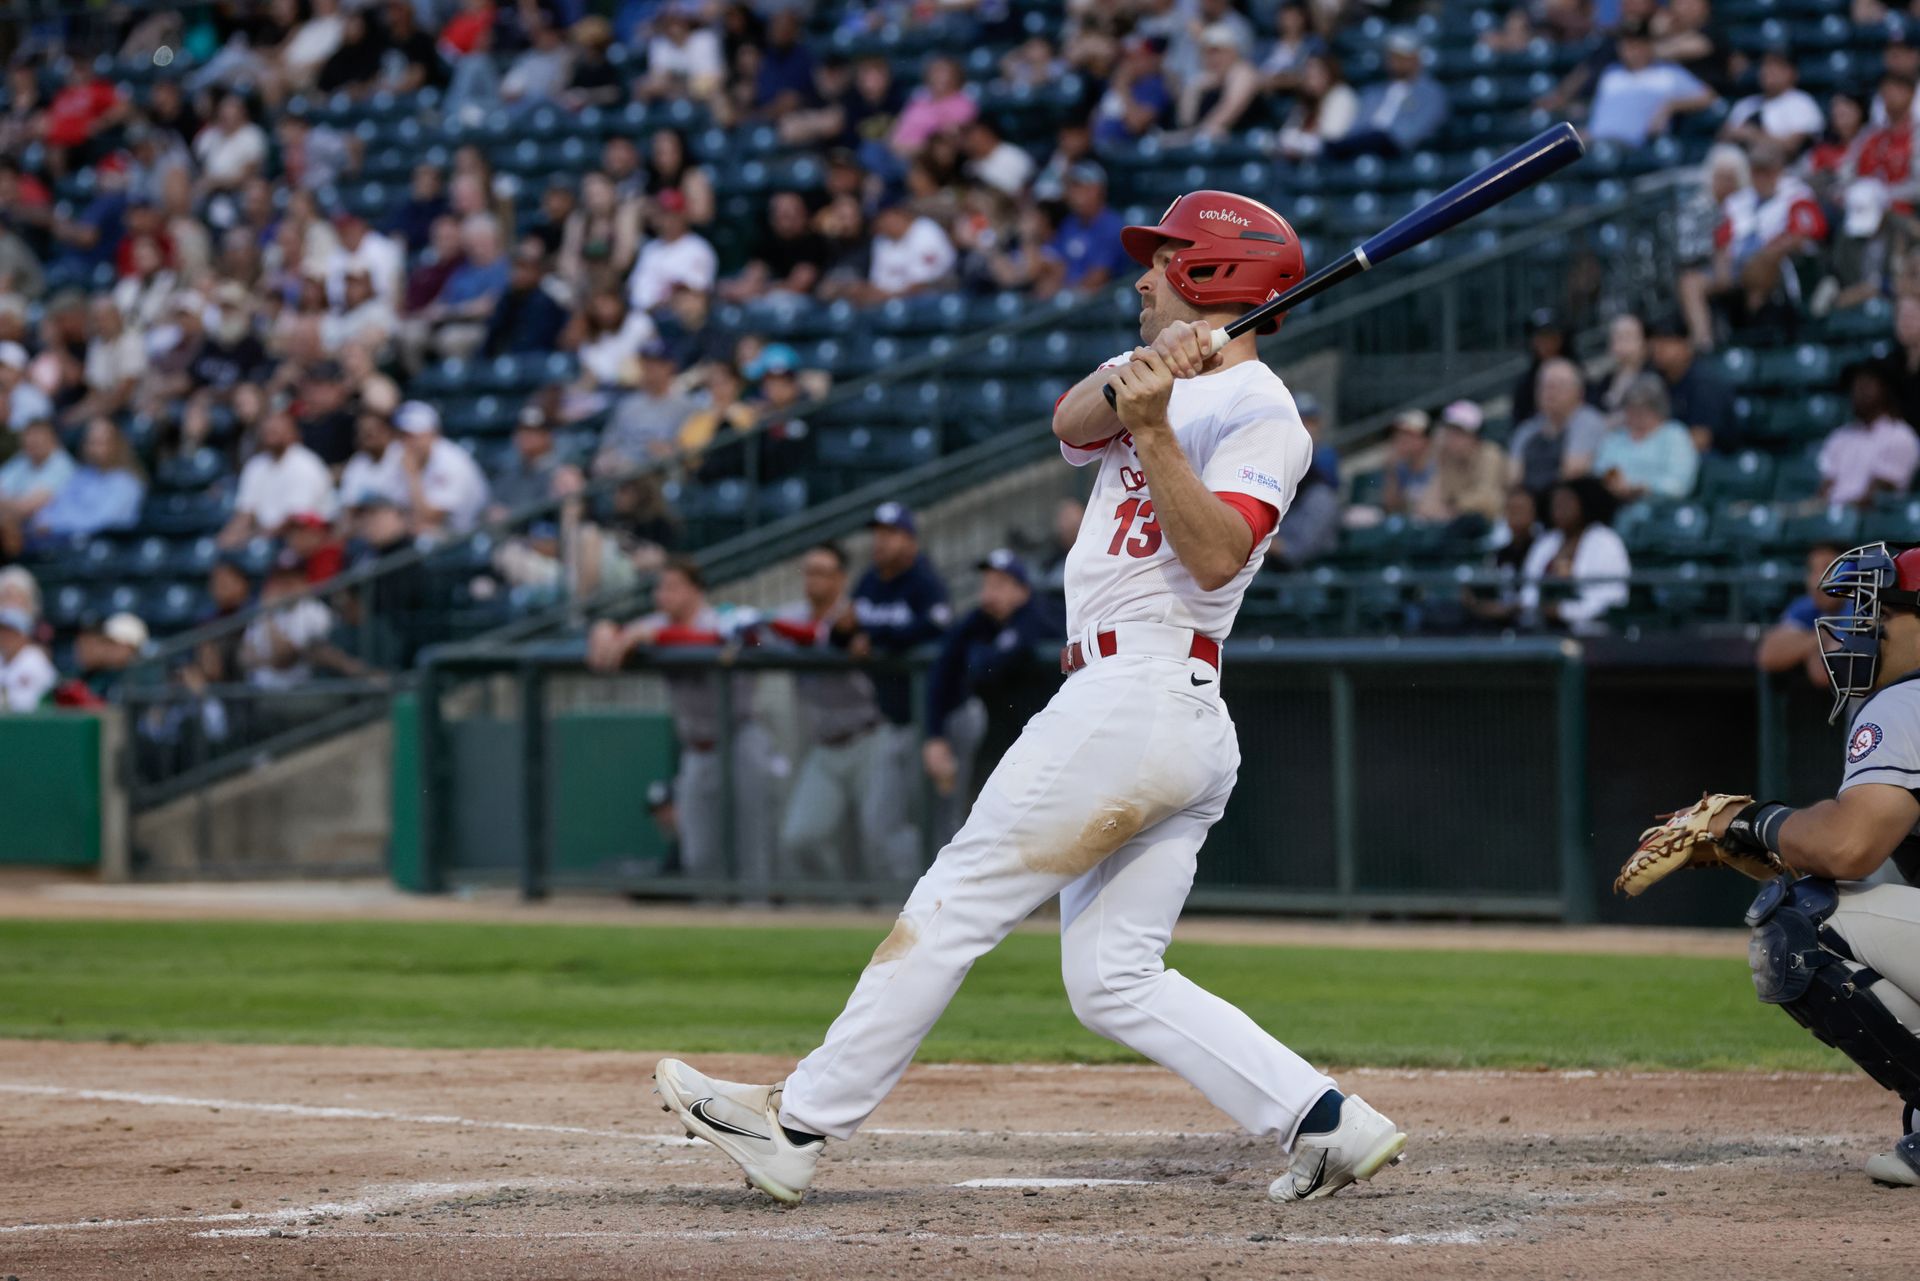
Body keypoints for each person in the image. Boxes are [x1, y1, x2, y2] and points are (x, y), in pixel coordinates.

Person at [654, 188, 1405, 1208]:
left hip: (1143, 686)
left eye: (1164, 261)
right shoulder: (1146, 375)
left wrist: (1161, 430)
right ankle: (1327, 1122)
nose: (1142, 277)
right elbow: (1071, 419)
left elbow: (1221, 554)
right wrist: (1145, 389)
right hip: (1140, 705)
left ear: (1212, 279)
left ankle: (798, 1124)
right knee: (1112, 980)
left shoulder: (1267, 414)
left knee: (958, 898)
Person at [1624, 541, 1920, 1188]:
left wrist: (1752, 820)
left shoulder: (1910, 700)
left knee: (1799, 922)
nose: (1858, 629)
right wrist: (1771, 852)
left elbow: (1847, 847)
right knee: (1814, 895)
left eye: (1880, 613)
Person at [585, 557, 778, 894]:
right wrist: (605, 630)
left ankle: (758, 919)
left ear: (696, 589)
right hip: (697, 750)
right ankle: (713, 927)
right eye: (660, 587)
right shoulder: (658, 623)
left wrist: (653, 634)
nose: (663, 595)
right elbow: (618, 635)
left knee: (752, 848)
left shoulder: (723, 617)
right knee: (699, 854)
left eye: (673, 587)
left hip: (740, 740)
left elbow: (744, 640)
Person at [768, 542, 903, 884]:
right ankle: (840, 903)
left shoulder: (859, 616)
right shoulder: (791, 618)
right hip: (824, 747)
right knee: (801, 837)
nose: (813, 580)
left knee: (879, 837)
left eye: (822, 573)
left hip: (869, 737)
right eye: (808, 572)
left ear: (841, 578)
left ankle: (904, 911)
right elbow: (757, 633)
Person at [921, 548, 1059, 843]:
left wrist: (977, 653)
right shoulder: (981, 621)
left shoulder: (1037, 614)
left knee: (1040, 831)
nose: (988, 593)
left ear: (1021, 590)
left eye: (999, 584)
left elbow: (989, 666)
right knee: (979, 820)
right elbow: (944, 667)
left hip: (1047, 743)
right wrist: (935, 736)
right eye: (987, 584)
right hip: (1000, 738)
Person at [1519, 477, 1631, 635]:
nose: (1558, 509)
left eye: (1566, 503)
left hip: (1596, 633)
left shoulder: (1606, 541)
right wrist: (1536, 608)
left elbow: (1611, 598)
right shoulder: (1545, 542)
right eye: (1555, 504)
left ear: (1584, 504)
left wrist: (1562, 611)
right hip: (1541, 629)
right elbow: (1528, 588)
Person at [19, 416, 145, 552]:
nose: (94, 448)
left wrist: (54, 525)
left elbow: (102, 524)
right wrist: (44, 520)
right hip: (61, 543)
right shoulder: (81, 475)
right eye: (91, 442)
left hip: (103, 549)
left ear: (116, 445)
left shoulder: (127, 484)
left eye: (101, 442)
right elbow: (57, 505)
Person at [221, 410, 337, 547]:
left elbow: (295, 519)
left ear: (292, 432)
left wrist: (250, 538)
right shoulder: (255, 465)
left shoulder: (305, 465)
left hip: (301, 539)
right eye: (267, 430)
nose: (270, 433)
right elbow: (245, 513)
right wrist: (225, 539)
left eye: (276, 430)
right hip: (263, 536)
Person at [1585, 27, 1717, 147]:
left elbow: (1708, 96)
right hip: (1595, 143)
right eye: (1627, 46)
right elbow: (1597, 113)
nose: (1632, 52)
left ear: (1648, 46)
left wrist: (1671, 106)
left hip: (1636, 146)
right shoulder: (1610, 74)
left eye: (1636, 45)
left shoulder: (1667, 73)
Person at [1330, 29, 1448, 158]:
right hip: (1364, 145)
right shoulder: (1372, 93)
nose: (1395, 60)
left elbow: (1416, 131)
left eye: (1402, 55)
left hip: (1398, 152)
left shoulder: (1431, 93)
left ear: (1416, 57)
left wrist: (1385, 138)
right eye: (1392, 55)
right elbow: (1355, 128)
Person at [1818, 363, 1920, 508]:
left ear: (1885, 390)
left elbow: (1877, 496)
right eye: (1855, 386)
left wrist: (1838, 510)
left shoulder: (1901, 436)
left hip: (1876, 523)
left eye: (1866, 385)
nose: (1858, 392)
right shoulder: (1839, 436)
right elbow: (1825, 488)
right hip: (1834, 516)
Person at [597, 339, 701, 475]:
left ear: (670, 366)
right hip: (625, 472)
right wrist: (605, 458)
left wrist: (672, 450)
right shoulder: (627, 405)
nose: (649, 369)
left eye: (655, 364)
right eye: (645, 363)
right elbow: (608, 445)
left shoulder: (687, 406)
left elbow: (692, 451)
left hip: (662, 473)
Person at [1508, 359, 1609, 496]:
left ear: (1579, 391)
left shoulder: (1588, 421)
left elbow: (1573, 472)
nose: (1550, 392)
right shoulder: (1526, 429)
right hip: (1529, 505)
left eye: (1558, 386)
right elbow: (1513, 477)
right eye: (1545, 386)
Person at [1592, 374, 1700, 503]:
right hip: (1611, 502)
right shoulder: (1616, 437)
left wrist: (1643, 488)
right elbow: (1599, 471)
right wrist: (1613, 483)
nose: (1635, 417)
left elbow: (1679, 484)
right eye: (1630, 410)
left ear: (1658, 410)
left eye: (1642, 412)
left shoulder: (1675, 435)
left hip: (1657, 507)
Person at [391, 400, 490, 537]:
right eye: (403, 436)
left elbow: (430, 517)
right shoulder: (401, 454)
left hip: (466, 536)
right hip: (434, 534)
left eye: (413, 436)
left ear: (432, 434)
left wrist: (412, 476)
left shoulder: (451, 462)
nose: (407, 443)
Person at [1757, 542, 1846, 690]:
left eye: (1828, 569)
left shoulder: (1861, 605)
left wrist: (1804, 643)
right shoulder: (1809, 605)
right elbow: (1767, 655)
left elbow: (1824, 672)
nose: (1818, 579)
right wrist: (1820, 638)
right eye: (1813, 570)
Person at [1035, 163, 1130, 298]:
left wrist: (1061, 291)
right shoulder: (1069, 223)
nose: (1074, 194)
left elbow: (1098, 279)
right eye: (1072, 188)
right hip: (1068, 299)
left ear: (1098, 190)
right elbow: (1056, 263)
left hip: (1100, 303)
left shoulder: (1112, 226)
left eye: (1080, 187)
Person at [1647, 313, 1734, 450]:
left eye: (1667, 341)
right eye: (1655, 341)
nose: (1658, 348)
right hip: (1668, 453)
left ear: (1686, 345)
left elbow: (1700, 441)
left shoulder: (1705, 382)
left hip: (1713, 458)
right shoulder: (1655, 377)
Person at [1720, 46, 1823, 155]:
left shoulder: (1802, 103)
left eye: (1776, 66)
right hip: (1742, 166)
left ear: (1792, 73)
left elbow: (1792, 146)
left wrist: (1753, 135)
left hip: (1787, 168)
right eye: (1765, 65)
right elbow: (1723, 136)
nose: (1768, 71)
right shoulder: (1745, 104)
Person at [1419, 400, 1507, 525]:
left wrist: (1452, 508)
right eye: (1449, 432)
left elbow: (1488, 501)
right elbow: (1426, 508)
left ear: (1474, 435)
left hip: (1497, 525)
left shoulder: (1490, 454)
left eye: (1459, 433)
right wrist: (1439, 461)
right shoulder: (1448, 459)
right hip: (1463, 526)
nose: (1451, 438)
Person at [1276, 53, 1358, 161]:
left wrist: (1297, 144)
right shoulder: (1305, 103)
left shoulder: (1342, 96)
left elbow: (1331, 139)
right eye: (1306, 74)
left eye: (1314, 74)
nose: (1308, 79)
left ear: (1328, 74)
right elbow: (1283, 137)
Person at [1377, 408, 1435, 517]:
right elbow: (1391, 508)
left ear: (1425, 439)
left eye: (1409, 435)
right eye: (1398, 434)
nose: (1401, 439)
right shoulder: (1401, 467)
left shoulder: (1438, 465)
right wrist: (1391, 470)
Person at [1589, 313, 1649, 417]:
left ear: (1643, 342)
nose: (1622, 343)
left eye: (1628, 337)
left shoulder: (1652, 376)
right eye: (1617, 337)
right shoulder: (1603, 379)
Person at [0, 606, 54, 712]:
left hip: (32, 724)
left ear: (24, 635)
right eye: (2, 632)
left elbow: (28, 704)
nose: (5, 637)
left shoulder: (35, 659)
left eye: (11, 633)